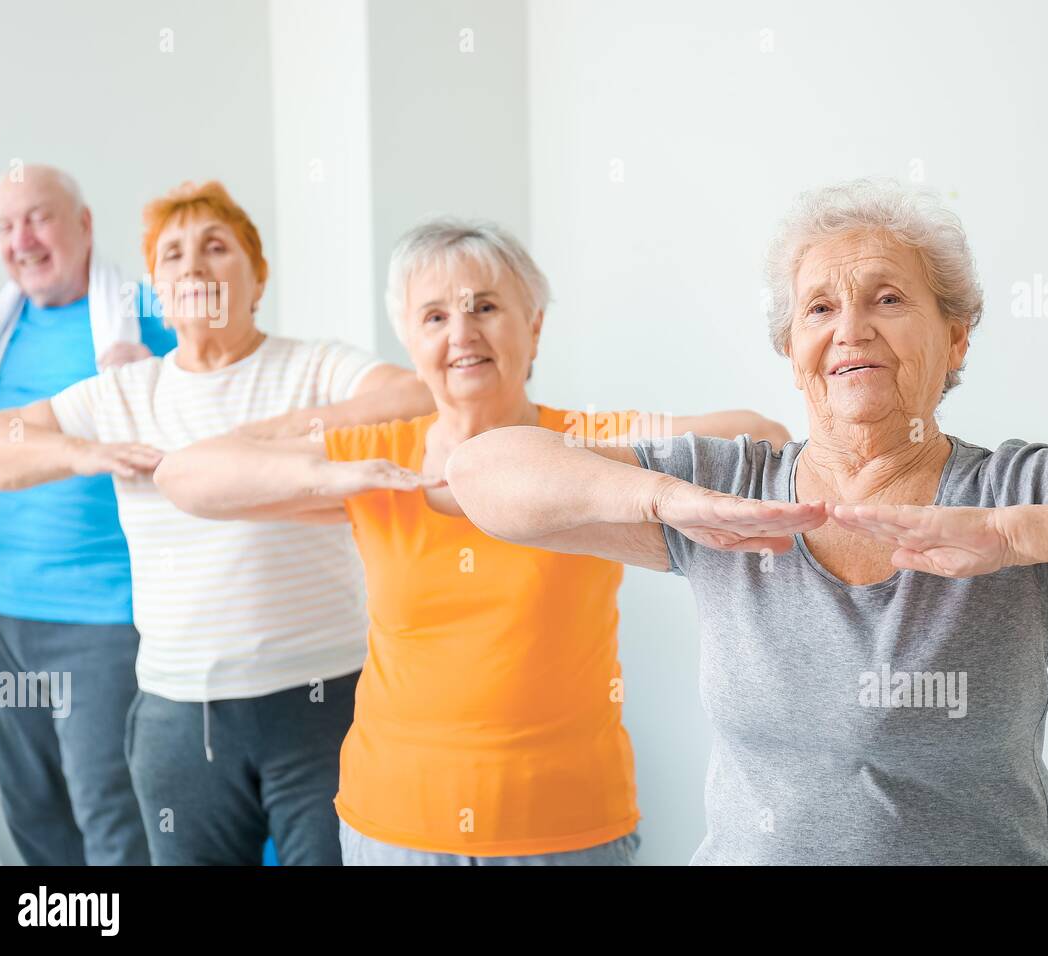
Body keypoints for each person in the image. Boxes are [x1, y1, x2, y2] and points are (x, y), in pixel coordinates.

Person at [444, 179, 1048, 865]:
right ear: (793, 351)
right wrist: (663, 498)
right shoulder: (730, 488)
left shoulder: (1018, 488)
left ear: (955, 340)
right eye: (819, 309)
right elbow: (483, 473)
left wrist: (1018, 536)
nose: (850, 330)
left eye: (886, 299)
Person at [154, 217, 791, 865]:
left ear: (534, 325)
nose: (462, 334)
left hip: (567, 825)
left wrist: (558, 468)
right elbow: (184, 476)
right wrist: (337, 468)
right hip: (395, 824)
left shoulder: (590, 438)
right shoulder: (378, 457)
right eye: (433, 317)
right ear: (409, 338)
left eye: (485, 307)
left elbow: (761, 433)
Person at [0, 180, 434, 864]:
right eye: (174, 255)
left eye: (216, 247)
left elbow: (418, 395)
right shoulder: (127, 392)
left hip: (324, 702)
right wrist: (85, 450)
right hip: (180, 716)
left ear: (256, 277)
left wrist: (269, 436)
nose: (193, 265)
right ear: (157, 285)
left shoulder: (313, 367)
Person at [0, 164, 176, 865]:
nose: (22, 240)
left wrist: (149, 383)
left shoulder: (145, 322)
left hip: (102, 617)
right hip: (1, 610)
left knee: (109, 807)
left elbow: (203, 434)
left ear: (84, 225)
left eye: (39, 218)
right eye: (5, 226)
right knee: (32, 806)